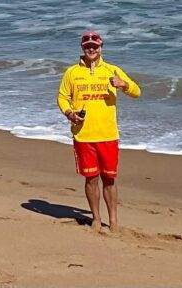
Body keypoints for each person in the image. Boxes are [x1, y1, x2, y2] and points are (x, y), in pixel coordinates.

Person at [56, 30, 140, 232]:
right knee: (91, 179)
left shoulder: (112, 70)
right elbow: (61, 97)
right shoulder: (72, 73)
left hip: (108, 135)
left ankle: (113, 221)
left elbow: (137, 92)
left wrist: (123, 85)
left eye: (95, 46)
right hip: (83, 135)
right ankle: (95, 218)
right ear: (82, 48)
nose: (91, 49)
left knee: (109, 179)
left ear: (101, 47)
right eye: (87, 46)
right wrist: (70, 114)